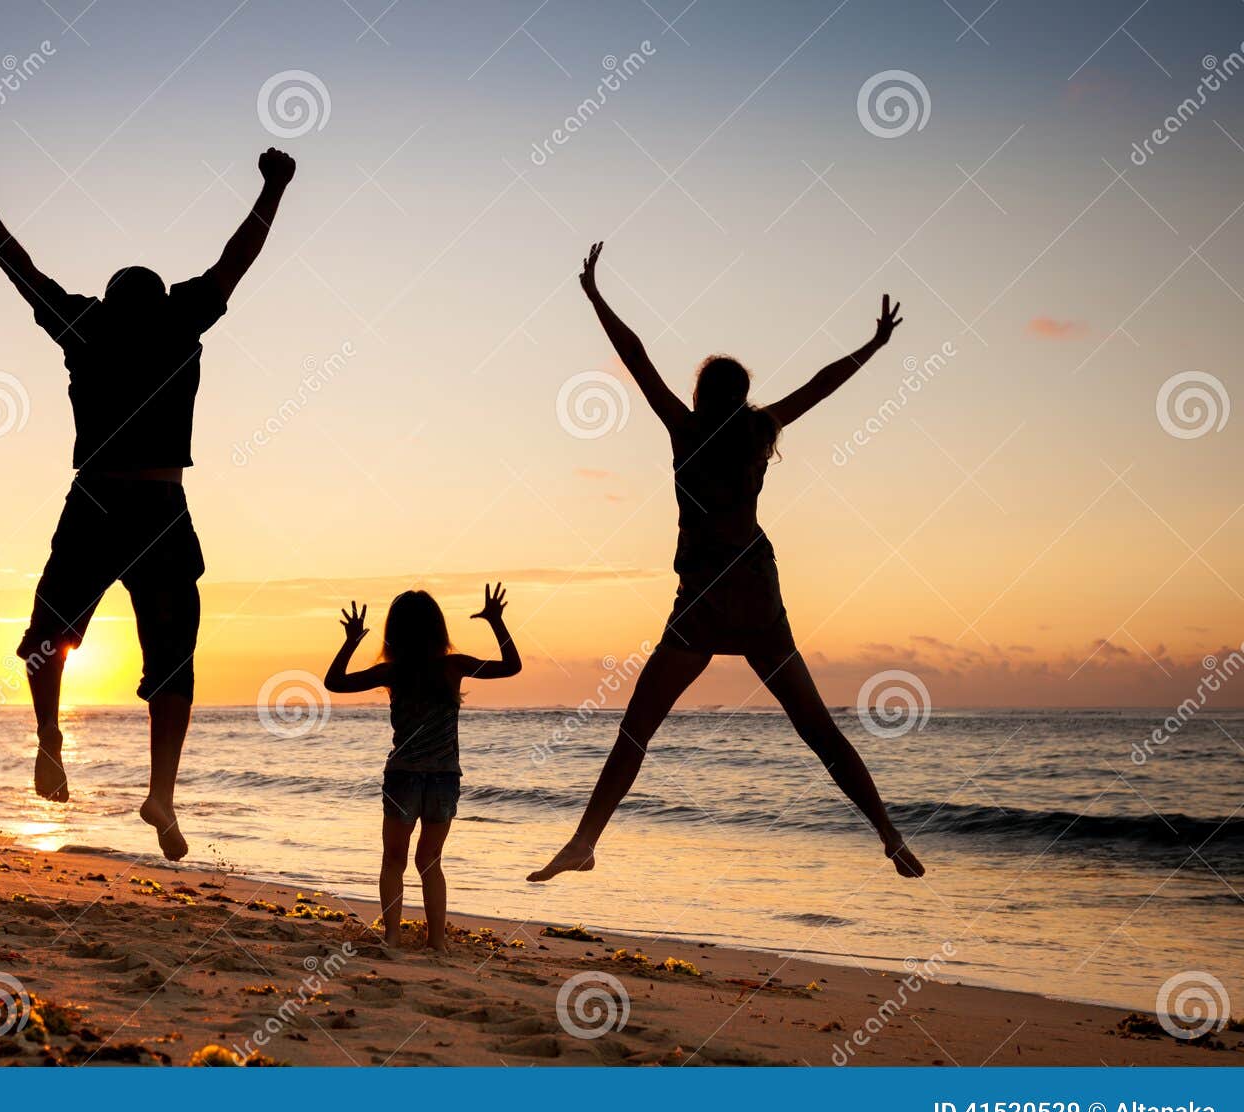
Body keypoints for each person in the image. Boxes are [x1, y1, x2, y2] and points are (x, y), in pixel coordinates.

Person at [528, 242, 926, 883]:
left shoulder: (686, 430)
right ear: (743, 397)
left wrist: (595, 296)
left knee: (637, 729)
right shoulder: (758, 431)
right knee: (818, 730)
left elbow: (636, 358)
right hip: (756, 593)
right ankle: (888, 833)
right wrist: (874, 346)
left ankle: (584, 841)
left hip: (704, 598)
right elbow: (820, 386)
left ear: (700, 394)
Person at [0, 149, 297, 860]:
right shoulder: (178, 320)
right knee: (172, 662)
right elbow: (238, 257)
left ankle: (50, 737)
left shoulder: (87, 324)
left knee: (49, 632)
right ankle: (160, 791)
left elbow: (20, 269)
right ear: (159, 297)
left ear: (109, 299)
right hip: (161, 507)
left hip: (96, 503)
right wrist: (272, 187)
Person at [325, 585, 521, 950]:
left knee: (393, 860)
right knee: (430, 861)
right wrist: (496, 621)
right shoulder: (453, 666)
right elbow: (512, 666)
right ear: (438, 629)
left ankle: (392, 937)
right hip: (444, 779)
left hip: (403, 777)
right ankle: (437, 942)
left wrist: (351, 641)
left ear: (393, 633)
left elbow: (334, 682)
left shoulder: (392, 671)